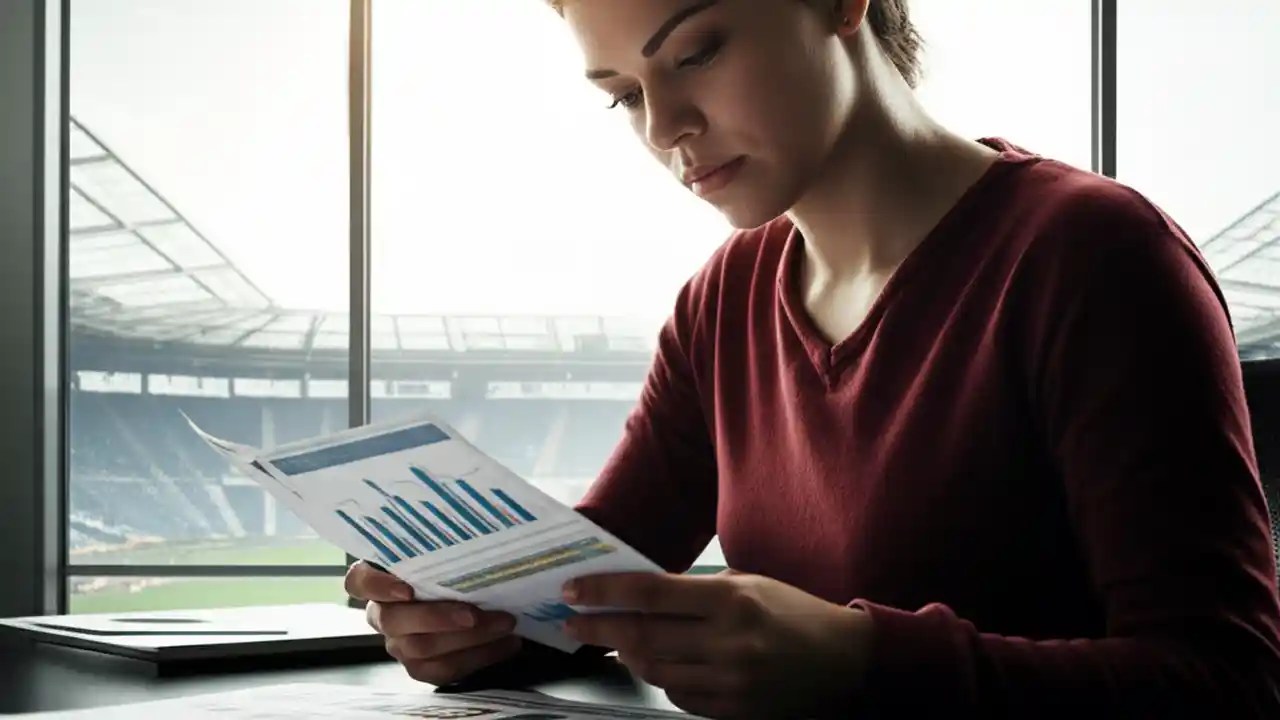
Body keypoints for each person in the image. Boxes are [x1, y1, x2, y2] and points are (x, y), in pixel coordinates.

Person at [347, 0, 1280, 715]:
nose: (664, 126)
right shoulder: (723, 299)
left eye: (699, 51)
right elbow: (597, 584)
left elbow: (1223, 679)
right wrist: (472, 620)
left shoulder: (1095, 256)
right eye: (624, 96)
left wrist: (859, 661)